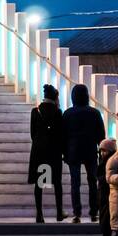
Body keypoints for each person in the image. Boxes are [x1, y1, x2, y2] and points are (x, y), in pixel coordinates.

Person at [62, 83, 105, 224]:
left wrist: (64, 153)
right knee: (93, 182)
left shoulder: (67, 113)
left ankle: (77, 213)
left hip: (73, 151)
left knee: (75, 183)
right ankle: (94, 212)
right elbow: (101, 135)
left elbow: (63, 136)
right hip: (90, 151)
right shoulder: (95, 113)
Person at [28, 84, 66, 223]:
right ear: (55, 97)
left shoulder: (35, 111)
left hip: (38, 150)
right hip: (54, 150)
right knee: (57, 182)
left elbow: (32, 133)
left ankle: (39, 214)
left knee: (39, 183)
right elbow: (61, 134)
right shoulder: (58, 112)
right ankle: (59, 212)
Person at [96, 137, 118, 236]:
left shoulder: (110, 163)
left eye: (105, 150)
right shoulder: (103, 163)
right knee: (106, 227)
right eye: (101, 151)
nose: (102, 153)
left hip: (109, 198)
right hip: (103, 198)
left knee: (108, 227)